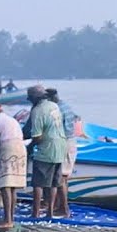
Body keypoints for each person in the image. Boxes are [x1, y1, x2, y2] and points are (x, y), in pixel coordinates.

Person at [24, 84, 66, 220]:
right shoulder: (54, 106)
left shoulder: (37, 111)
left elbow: (37, 136)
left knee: (38, 183)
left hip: (46, 149)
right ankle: (50, 213)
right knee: (54, 183)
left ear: (33, 99)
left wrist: (29, 148)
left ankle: (35, 213)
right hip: (60, 147)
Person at [0, 102, 25, 230]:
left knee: (5, 185)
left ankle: (7, 220)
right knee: (12, 186)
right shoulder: (11, 120)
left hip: (8, 149)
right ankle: (11, 218)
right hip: (21, 148)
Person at [46, 87, 81, 218]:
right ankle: (58, 206)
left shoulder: (56, 109)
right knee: (63, 178)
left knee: (60, 178)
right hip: (71, 141)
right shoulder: (66, 105)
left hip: (64, 142)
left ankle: (64, 209)